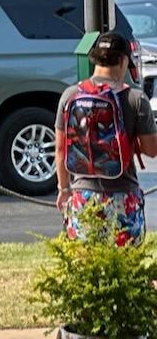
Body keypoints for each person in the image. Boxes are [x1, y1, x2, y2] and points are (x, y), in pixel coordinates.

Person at [55, 31, 157, 245]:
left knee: (84, 263)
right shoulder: (135, 99)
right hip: (123, 196)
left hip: (82, 196)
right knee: (126, 266)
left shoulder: (70, 95)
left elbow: (61, 150)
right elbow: (151, 150)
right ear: (123, 60)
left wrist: (64, 190)